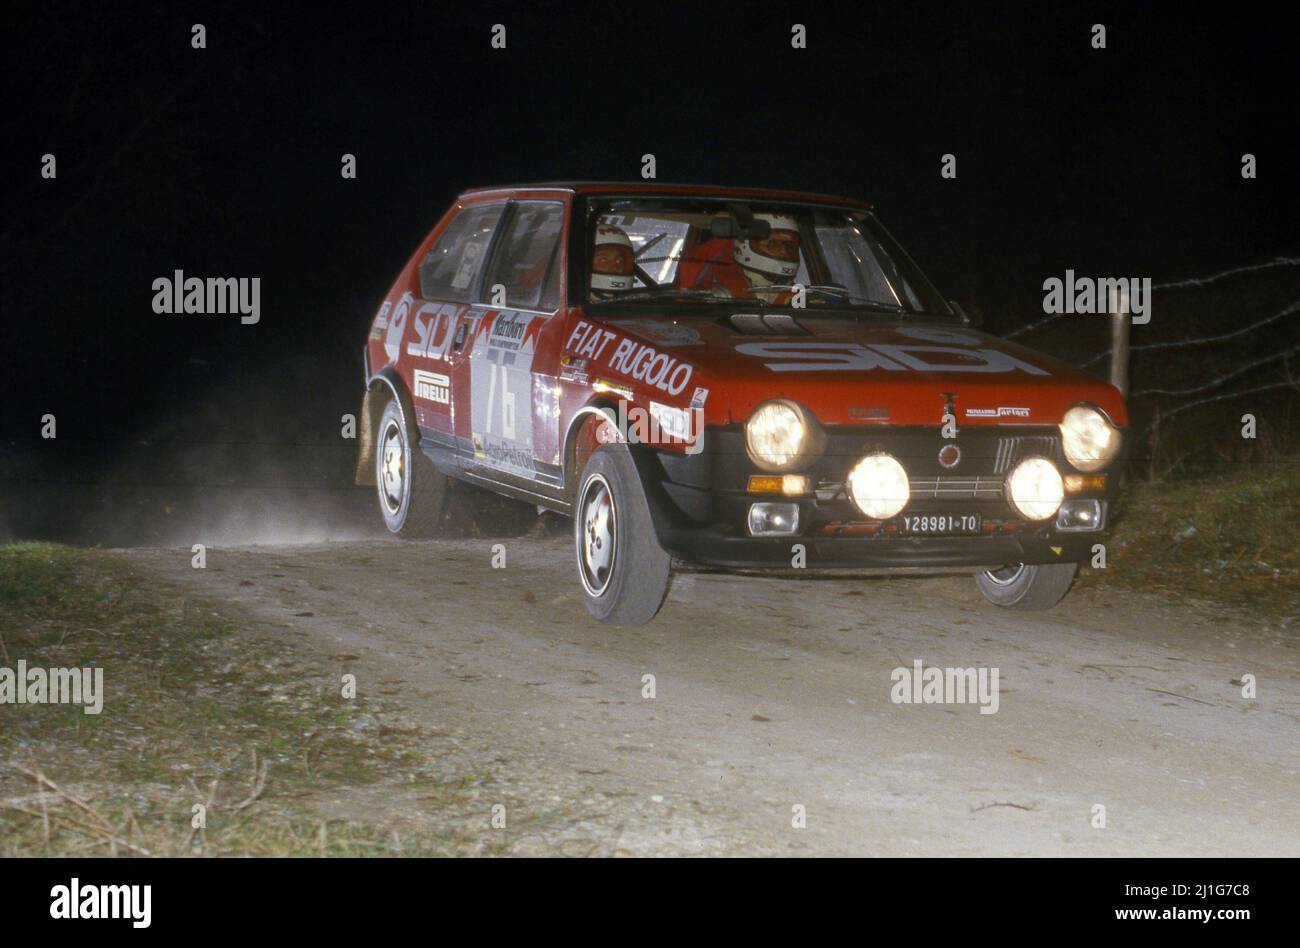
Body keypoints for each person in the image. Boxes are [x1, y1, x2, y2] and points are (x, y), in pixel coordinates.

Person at [675, 212, 801, 300]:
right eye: (774, 245)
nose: (784, 252)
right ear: (745, 244)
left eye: (789, 246)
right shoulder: (717, 288)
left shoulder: (793, 292)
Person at [590, 224, 636, 298]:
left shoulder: (633, 302)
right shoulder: (572, 303)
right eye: (603, 260)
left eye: (619, 260)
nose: (614, 267)